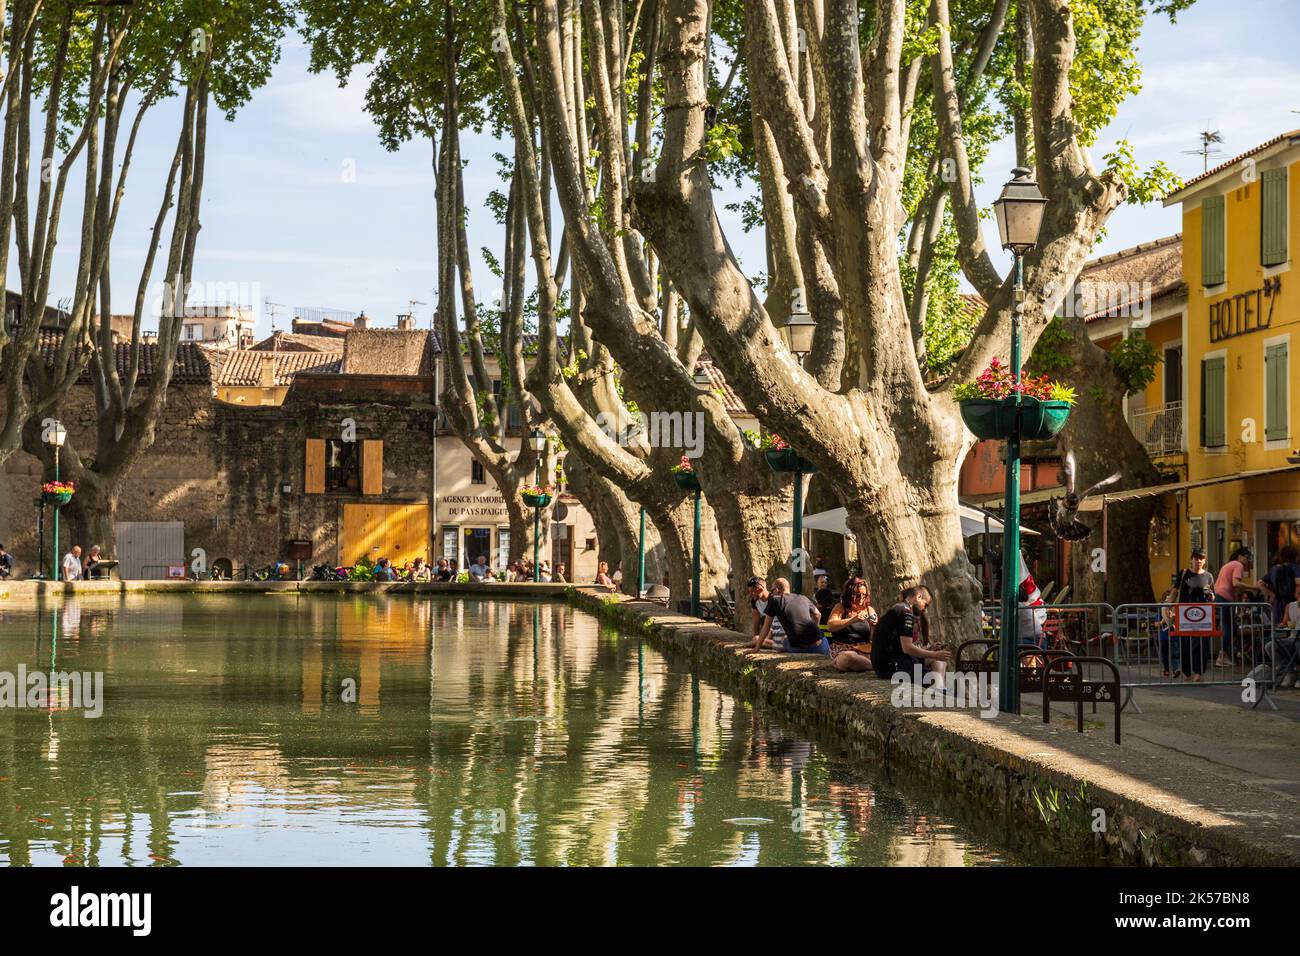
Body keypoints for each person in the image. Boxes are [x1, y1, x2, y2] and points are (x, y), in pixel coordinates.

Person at [870, 586, 949, 680]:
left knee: (939, 661)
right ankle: (938, 689)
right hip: (890, 667)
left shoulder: (900, 608)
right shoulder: (905, 613)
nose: (924, 609)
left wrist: (930, 650)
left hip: (890, 663)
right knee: (932, 678)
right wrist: (934, 654)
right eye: (925, 605)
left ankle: (940, 688)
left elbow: (899, 646)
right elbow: (907, 648)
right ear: (918, 597)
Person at [1173, 547, 1216, 682]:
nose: (1198, 561)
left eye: (1201, 558)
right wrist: (1168, 606)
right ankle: (1186, 672)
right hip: (1185, 614)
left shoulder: (1208, 576)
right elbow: (1174, 591)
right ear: (1191, 559)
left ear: (1204, 561)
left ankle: (1199, 672)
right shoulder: (1184, 573)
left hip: (1203, 615)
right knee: (1185, 643)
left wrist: (1211, 596)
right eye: (1196, 558)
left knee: (1201, 644)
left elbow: (1213, 595)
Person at [755, 577, 828, 654]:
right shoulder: (803, 597)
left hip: (800, 647)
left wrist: (756, 648)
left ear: (777, 590)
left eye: (772, 591)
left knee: (784, 640)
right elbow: (818, 614)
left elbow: (766, 627)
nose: (771, 594)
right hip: (821, 643)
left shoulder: (774, 599)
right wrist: (815, 633)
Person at [1214, 547, 1255, 667]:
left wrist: (1236, 601)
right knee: (1228, 626)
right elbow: (1235, 583)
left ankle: (1228, 653)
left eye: (1249, 558)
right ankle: (1222, 656)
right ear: (1240, 556)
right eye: (1246, 557)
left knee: (1232, 627)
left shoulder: (1228, 565)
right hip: (1224, 597)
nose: (1247, 560)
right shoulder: (1238, 565)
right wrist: (1253, 587)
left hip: (1220, 596)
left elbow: (1235, 588)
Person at [827, 577, 877, 672]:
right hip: (844, 650)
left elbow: (873, 640)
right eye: (858, 596)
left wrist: (874, 627)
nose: (861, 599)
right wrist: (853, 620)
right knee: (848, 657)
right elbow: (830, 626)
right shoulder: (841, 608)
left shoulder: (869, 610)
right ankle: (875, 667)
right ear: (849, 595)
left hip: (865, 650)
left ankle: (869, 665)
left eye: (864, 595)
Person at [1256, 546, 1298, 625]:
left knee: (1280, 626)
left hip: (1278, 602)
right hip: (1292, 602)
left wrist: (1271, 595)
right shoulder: (1294, 567)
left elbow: (1260, 583)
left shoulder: (1274, 569)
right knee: (1293, 626)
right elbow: (1298, 581)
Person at [745, 577, 786, 649]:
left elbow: (774, 623)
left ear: (760, 590)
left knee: (757, 640)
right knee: (756, 639)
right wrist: (755, 636)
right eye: (749, 592)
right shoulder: (755, 601)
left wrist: (765, 639)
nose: (750, 594)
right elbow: (756, 621)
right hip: (767, 632)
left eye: (752, 592)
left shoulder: (773, 600)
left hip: (777, 633)